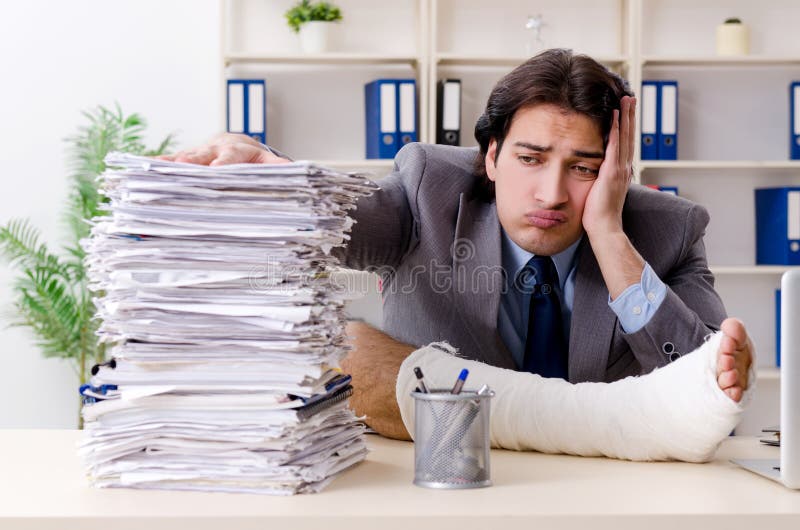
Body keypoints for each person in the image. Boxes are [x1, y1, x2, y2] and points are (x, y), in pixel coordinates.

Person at [162, 49, 743, 441]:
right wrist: (269, 172)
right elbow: (340, 222)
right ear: (490, 157)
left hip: (602, 492)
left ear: (616, 171)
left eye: (584, 168)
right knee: (347, 345)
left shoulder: (668, 230)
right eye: (530, 158)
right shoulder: (430, 190)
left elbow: (707, 390)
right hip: (443, 480)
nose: (551, 193)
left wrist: (610, 234)